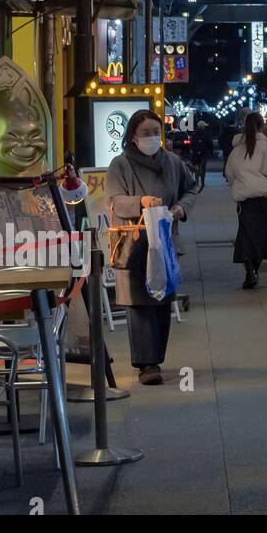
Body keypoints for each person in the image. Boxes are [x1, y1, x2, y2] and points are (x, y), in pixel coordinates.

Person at [104, 110, 198, 385]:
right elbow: (114, 201)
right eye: (145, 133)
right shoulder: (120, 164)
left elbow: (190, 190)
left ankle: (156, 357)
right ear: (132, 135)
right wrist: (141, 202)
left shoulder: (172, 162)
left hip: (165, 242)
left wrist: (181, 208)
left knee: (161, 302)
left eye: (155, 132)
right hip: (132, 244)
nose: (151, 138)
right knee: (139, 303)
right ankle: (146, 363)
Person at [225, 111, 267, 289]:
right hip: (262, 197)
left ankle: (249, 269)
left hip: (244, 199)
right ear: (262, 126)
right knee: (262, 235)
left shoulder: (237, 149)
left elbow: (229, 173)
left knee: (245, 234)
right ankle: (254, 269)